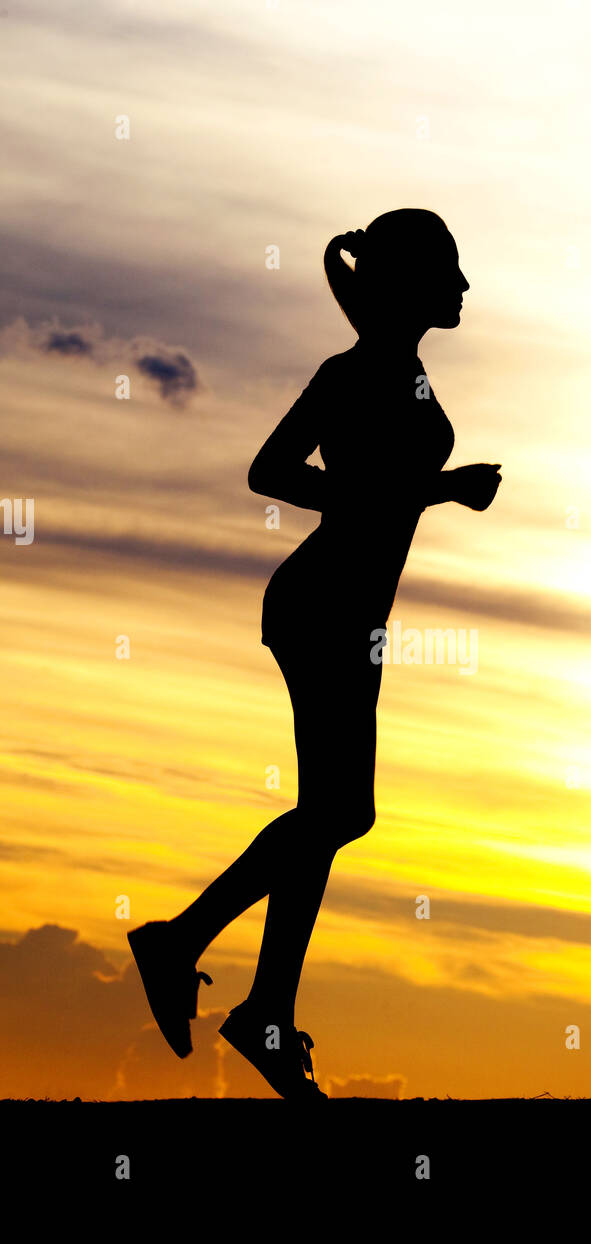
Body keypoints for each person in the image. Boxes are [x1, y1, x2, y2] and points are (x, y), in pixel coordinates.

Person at [128, 209, 502, 1100]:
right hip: (320, 604)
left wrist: (423, 492)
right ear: (409, 281)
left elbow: (375, 487)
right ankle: (182, 946)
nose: (461, 287)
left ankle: (260, 1004)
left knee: (336, 814)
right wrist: (436, 489)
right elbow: (270, 472)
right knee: (336, 811)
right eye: (447, 271)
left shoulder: (399, 369)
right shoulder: (357, 371)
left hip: (353, 614)